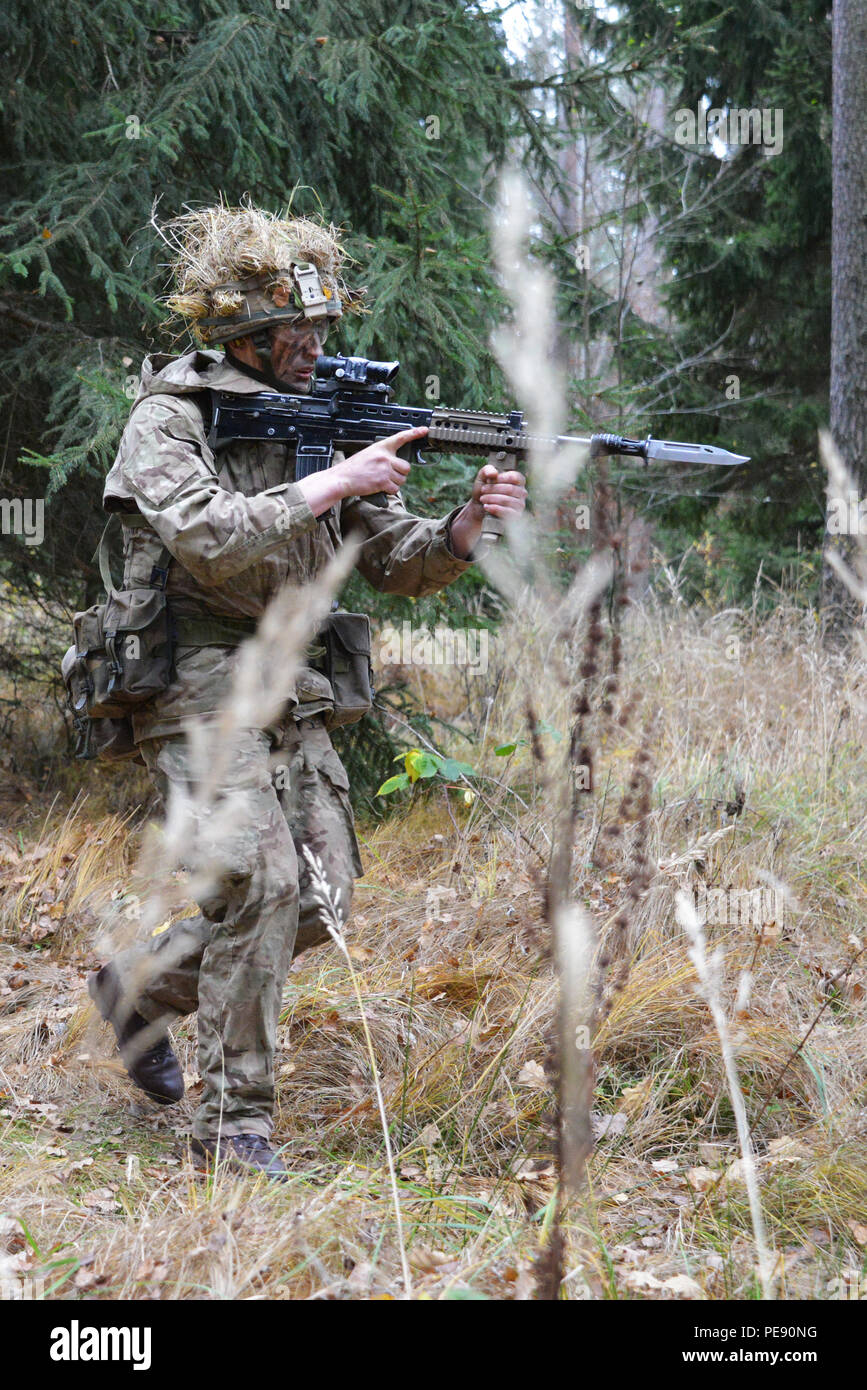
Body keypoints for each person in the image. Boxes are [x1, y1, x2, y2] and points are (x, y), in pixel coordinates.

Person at [87, 203, 527, 1179]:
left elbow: (396, 558)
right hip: (193, 664)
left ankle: (137, 989)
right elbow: (203, 531)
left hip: (289, 672)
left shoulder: (326, 415)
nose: (316, 346)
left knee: (321, 898)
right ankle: (235, 1130)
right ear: (242, 331)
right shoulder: (172, 416)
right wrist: (330, 484)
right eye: (298, 329)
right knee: (263, 879)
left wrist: (464, 526)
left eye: (325, 328)